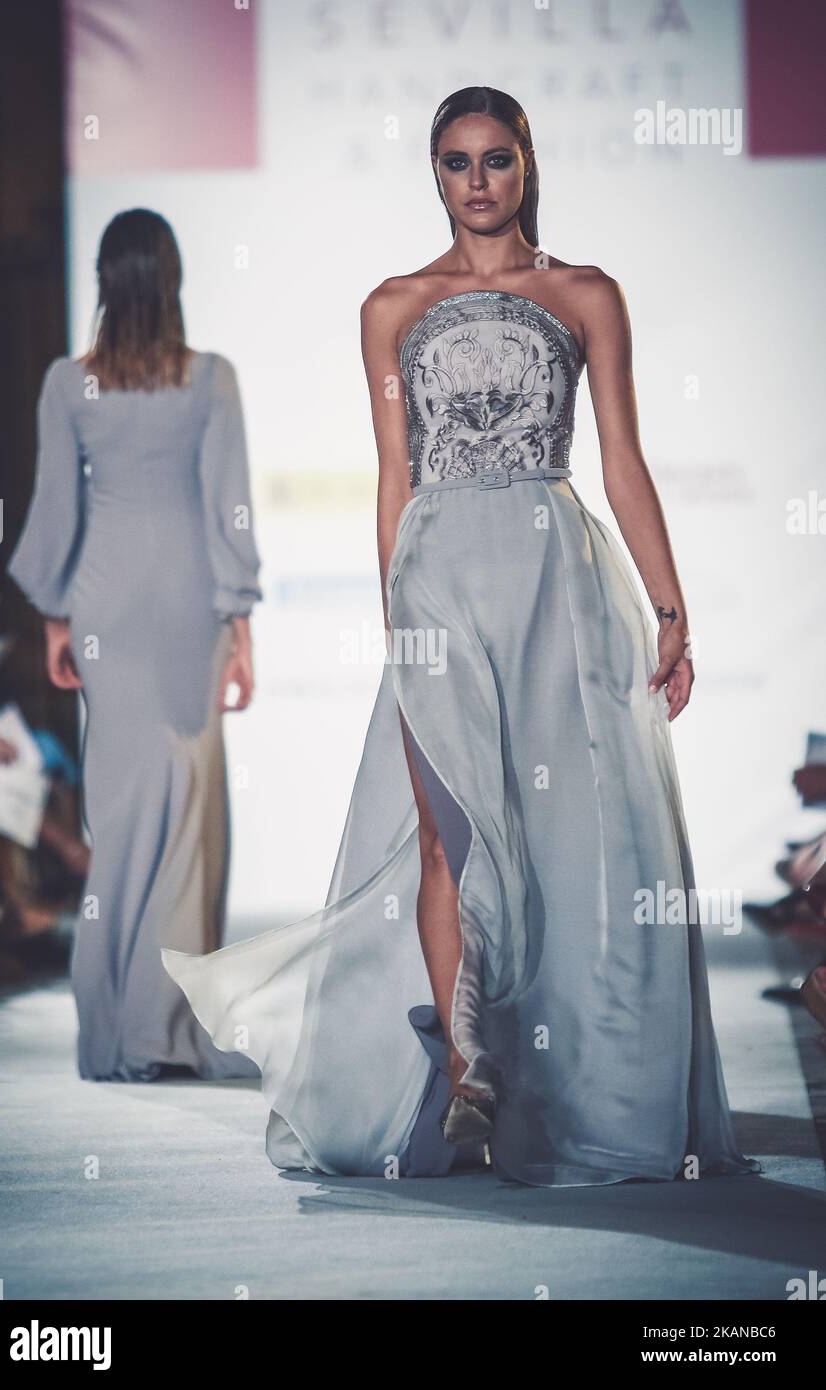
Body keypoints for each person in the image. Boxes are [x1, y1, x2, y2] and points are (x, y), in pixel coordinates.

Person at [163, 88, 759, 1186]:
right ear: (432, 175)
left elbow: (619, 458)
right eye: (453, 163)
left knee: (572, 837)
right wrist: (396, 622)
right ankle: (471, 1071)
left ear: (525, 163)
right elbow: (393, 474)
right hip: (436, 575)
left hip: (554, 574)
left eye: (493, 159)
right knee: (449, 832)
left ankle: (571, 1083)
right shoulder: (390, 306)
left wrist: (669, 608)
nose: (475, 181)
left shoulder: (585, 294)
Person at [9, 209, 263, 1081]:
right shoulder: (210, 380)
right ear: (174, 278)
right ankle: (166, 1028)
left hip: (104, 603)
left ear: (106, 284)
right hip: (189, 601)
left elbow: (55, 512)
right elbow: (228, 505)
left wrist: (53, 619)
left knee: (118, 819)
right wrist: (240, 622)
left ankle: (116, 1032)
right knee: (188, 815)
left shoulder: (66, 384)